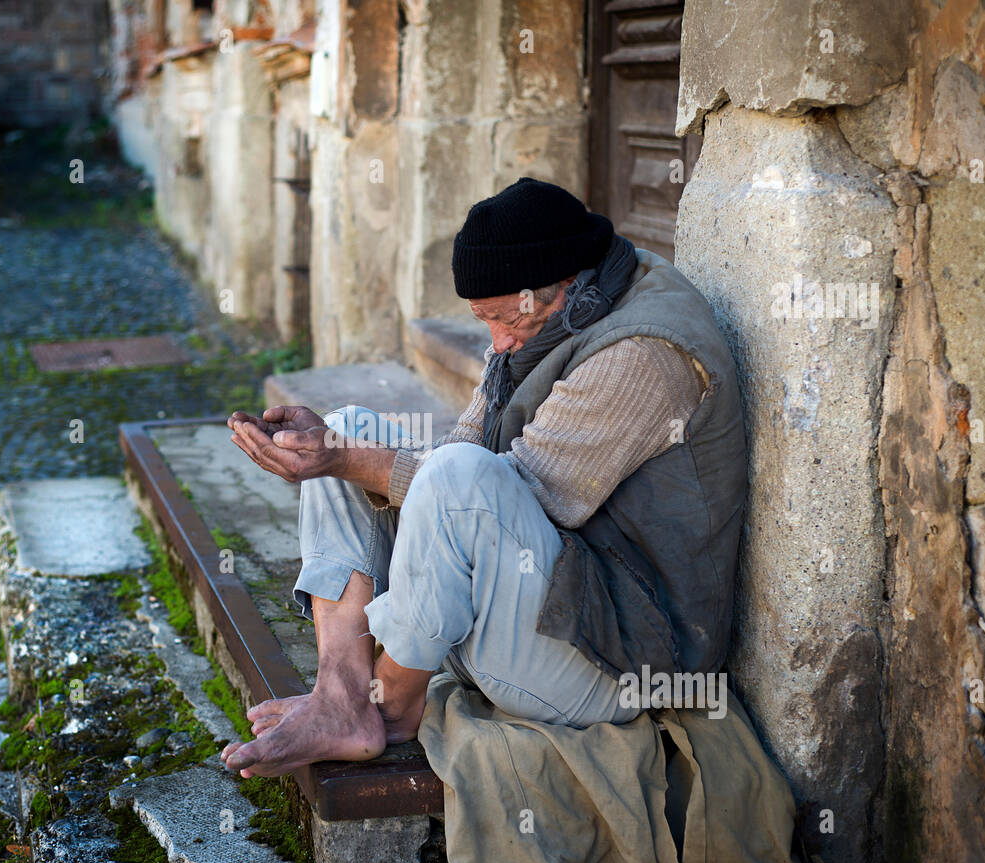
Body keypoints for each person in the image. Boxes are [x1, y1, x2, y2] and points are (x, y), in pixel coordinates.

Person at [221, 177, 747, 779]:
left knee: (410, 468)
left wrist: (342, 460)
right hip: (547, 597)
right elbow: (462, 453)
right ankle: (342, 696)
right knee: (347, 427)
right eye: (481, 321)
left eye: (502, 319)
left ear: (564, 288)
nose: (495, 345)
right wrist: (336, 451)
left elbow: (514, 493)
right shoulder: (572, 298)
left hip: (618, 661)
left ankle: (388, 705)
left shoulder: (644, 353)